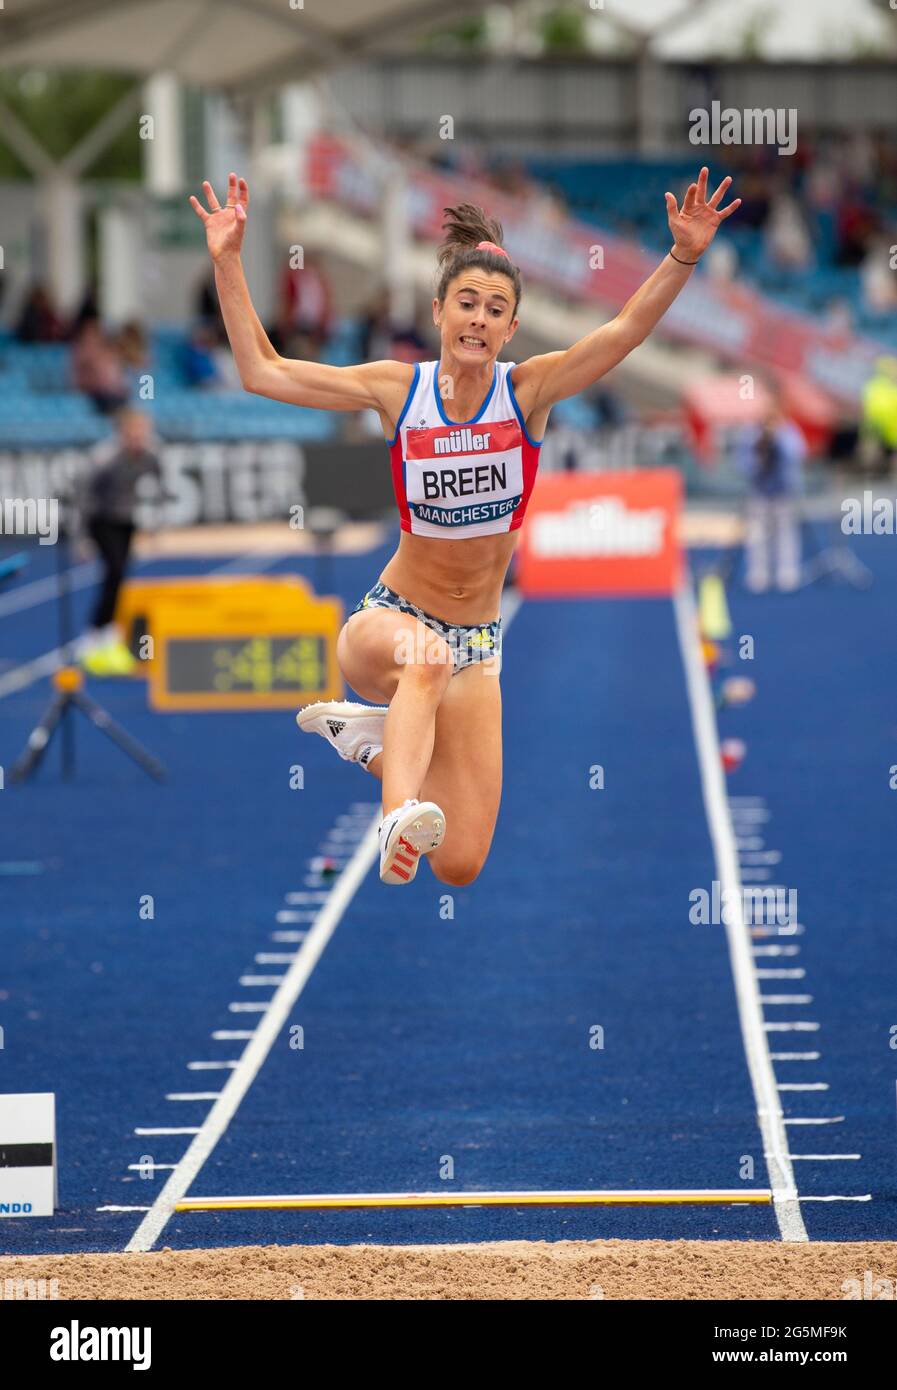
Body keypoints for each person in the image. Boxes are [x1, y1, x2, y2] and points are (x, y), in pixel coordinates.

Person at [190, 168, 740, 886]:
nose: (478, 319)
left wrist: (683, 256)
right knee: (424, 661)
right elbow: (263, 372)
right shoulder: (398, 390)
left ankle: (367, 741)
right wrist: (228, 260)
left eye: (494, 309)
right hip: (388, 626)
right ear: (440, 313)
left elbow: (624, 331)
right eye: (466, 304)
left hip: (477, 645)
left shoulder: (528, 391)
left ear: (511, 328)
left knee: (459, 863)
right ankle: (393, 811)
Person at [76, 408, 169, 675]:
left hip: (126, 518)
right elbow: (84, 496)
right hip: (101, 518)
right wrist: (82, 538)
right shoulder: (105, 458)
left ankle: (107, 631)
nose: (139, 438)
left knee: (119, 575)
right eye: (134, 433)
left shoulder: (152, 453)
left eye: (143, 432)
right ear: (122, 434)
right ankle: (97, 634)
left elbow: (162, 484)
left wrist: (157, 523)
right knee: (114, 570)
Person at [738, 398, 807, 594]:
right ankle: (759, 573)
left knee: (785, 532)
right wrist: (758, 455)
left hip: (783, 490)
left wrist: (777, 439)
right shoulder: (751, 433)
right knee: (758, 533)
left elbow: (797, 453)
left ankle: (787, 572)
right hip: (759, 490)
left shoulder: (788, 431)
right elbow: (742, 463)